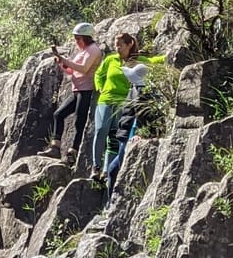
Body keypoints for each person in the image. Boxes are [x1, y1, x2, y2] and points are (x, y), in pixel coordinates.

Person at [90, 32, 164, 180]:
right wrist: (100, 87)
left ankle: (106, 171)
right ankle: (96, 166)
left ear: (129, 44)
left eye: (120, 44)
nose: (116, 47)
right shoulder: (111, 59)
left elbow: (155, 61)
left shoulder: (139, 61)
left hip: (124, 101)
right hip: (106, 98)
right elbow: (99, 73)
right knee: (101, 130)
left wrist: (170, 55)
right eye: (115, 44)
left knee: (115, 136)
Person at [46, 22, 103, 163]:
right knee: (58, 114)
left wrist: (65, 60)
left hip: (87, 90)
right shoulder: (82, 51)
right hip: (77, 90)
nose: (76, 41)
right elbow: (72, 70)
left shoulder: (93, 50)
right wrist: (61, 62)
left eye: (78, 38)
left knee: (79, 121)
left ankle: (73, 151)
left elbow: (83, 69)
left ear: (86, 37)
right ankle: (55, 147)